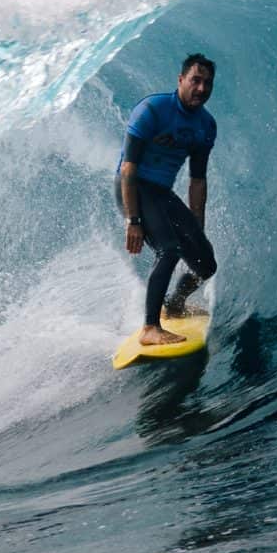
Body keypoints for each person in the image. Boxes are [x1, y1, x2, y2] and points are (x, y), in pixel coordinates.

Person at [117, 53, 219, 349]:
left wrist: (196, 228)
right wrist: (133, 220)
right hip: (134, 187)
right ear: (181, 80)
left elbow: (197, 180)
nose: (201, 88)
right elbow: (128, 168)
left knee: (206, 263)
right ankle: (150, 327)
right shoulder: (152, 109)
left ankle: (175, 304)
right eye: (195, 80)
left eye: (207, 84)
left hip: (161, 194)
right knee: (169, 249)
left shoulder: (206, 126)